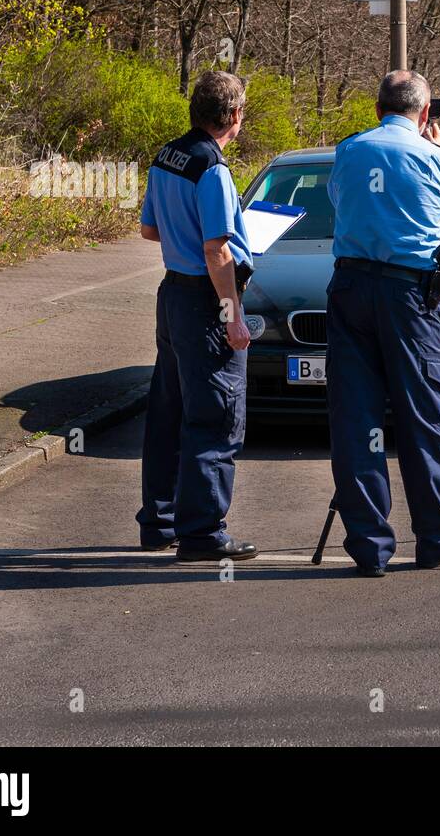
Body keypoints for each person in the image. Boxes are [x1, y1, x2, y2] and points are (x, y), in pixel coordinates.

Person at [325, 70, 440, 577]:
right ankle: (438, 537)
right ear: (424, 113)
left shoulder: (350, 150)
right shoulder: (436, 157)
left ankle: (369, 545)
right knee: (424, 414)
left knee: (355, 418)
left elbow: (337, 201)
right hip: (408, 295)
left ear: (376, 110)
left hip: (350, 287)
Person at [136, 71, 258, 562]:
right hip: (206, 302)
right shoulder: (213, 169)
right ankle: (204, 533)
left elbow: (148, 229)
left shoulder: (168, 155)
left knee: (169, 412)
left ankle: (160, 523)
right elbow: (217, 251)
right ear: (232, 116)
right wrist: (232, 315)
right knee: (214, 416)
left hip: (173, 297)